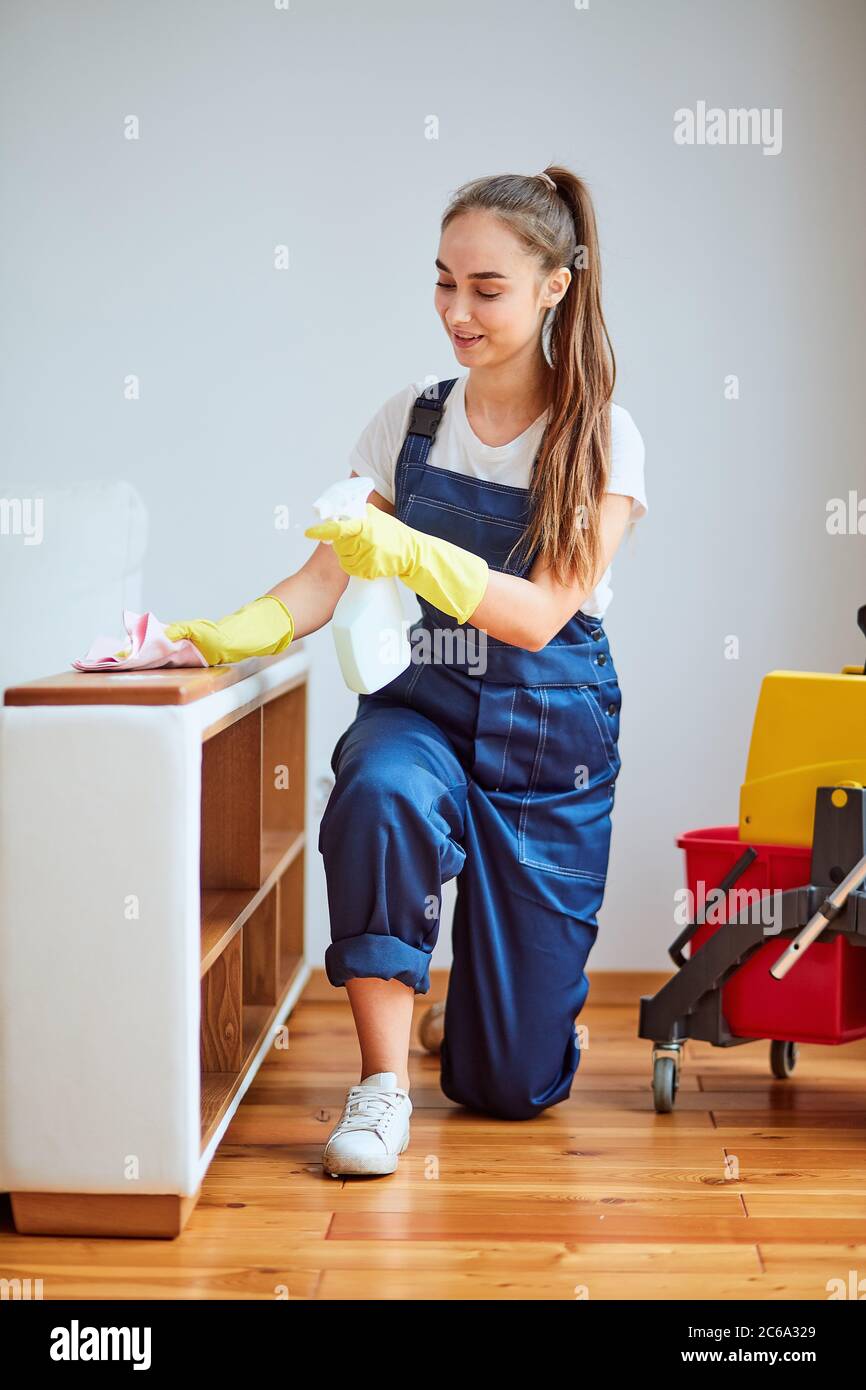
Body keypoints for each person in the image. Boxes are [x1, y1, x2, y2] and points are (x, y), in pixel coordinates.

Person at [167, 166, 648, 1179]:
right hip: (422, 706)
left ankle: (492, 1026)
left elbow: (539, 613)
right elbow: (316, 586)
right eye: (442, 283)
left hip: (549, 739)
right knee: (378, 790)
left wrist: (418, 556)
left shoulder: (599, 436)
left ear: (553, 287)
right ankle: (381, 1085)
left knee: (508, 1090)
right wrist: (210, 637)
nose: (456, 312)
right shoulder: (410, 423)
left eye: (486, 288)